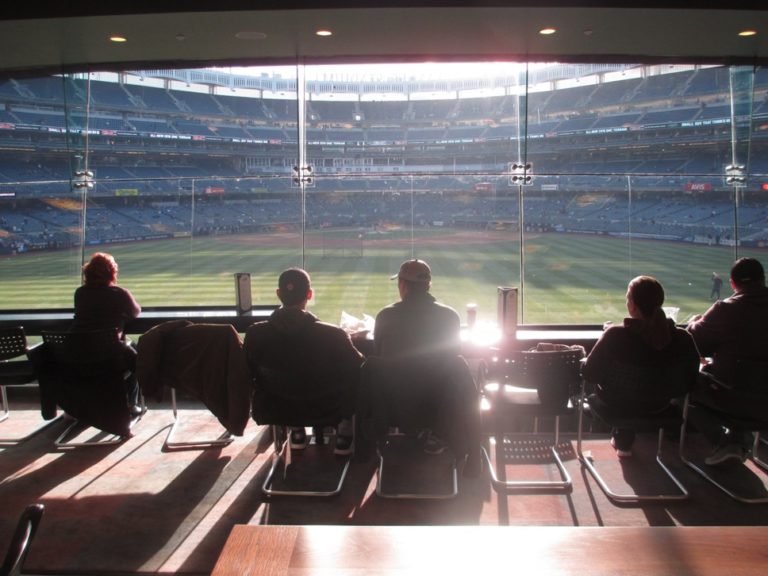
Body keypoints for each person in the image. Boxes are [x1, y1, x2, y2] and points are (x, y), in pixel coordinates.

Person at [366, 258, 480, 471]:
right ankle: (435, 435)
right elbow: (453, 361)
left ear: (402, 284)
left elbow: (378, 356)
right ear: (428, 285)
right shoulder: (449, 316)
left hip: (394, 407)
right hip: (440, 407)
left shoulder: (386, 316)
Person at [244, 268, 363, 455]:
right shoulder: (333, 335)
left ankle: (296, 430)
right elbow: (359, 367)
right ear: (309, 294)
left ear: (278, 294)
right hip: (328, 407)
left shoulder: (254, 334)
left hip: (276, 408)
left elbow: (248, 373)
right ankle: (344, 431)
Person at [582, 276, 699, 458]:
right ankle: (624, 436)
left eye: (628, 298)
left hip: (617, 406)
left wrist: (607, 334)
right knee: (633, 387)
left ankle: (619, 436)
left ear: (632, 306)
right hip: (660, 406)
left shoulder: (614, 336)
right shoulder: (682, 338)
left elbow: (589, 374)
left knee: (610, 386)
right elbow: (691, 378)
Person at [686, 257, 768, 466]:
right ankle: (738, 440)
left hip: (733, 398)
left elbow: (693, 343)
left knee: (682, 383)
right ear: (763, 279)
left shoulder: (726, 309)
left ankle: (727, 442)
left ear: (732, 283)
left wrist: (694, 322)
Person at [72, 252, 142, 413]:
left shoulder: (80, 293)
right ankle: (131, 404)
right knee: (135, 355)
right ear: (112, 272)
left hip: (79, 353)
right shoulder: (119, 293)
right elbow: (135, 312)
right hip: (108, 355)